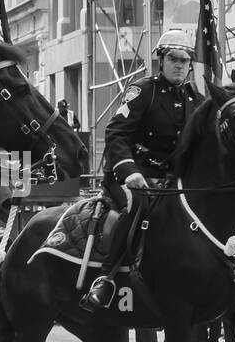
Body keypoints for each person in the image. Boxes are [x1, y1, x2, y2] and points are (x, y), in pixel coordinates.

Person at [82, 29, 203, 311]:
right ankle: (105, 279)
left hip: (171, 180)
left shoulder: (195, 100)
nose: (179, 65)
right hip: (132, 175)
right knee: (138, 204)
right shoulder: (143, 91)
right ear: (161, 59)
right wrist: (130, 171)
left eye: (185, 61)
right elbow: (115, 133)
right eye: (174, 58)